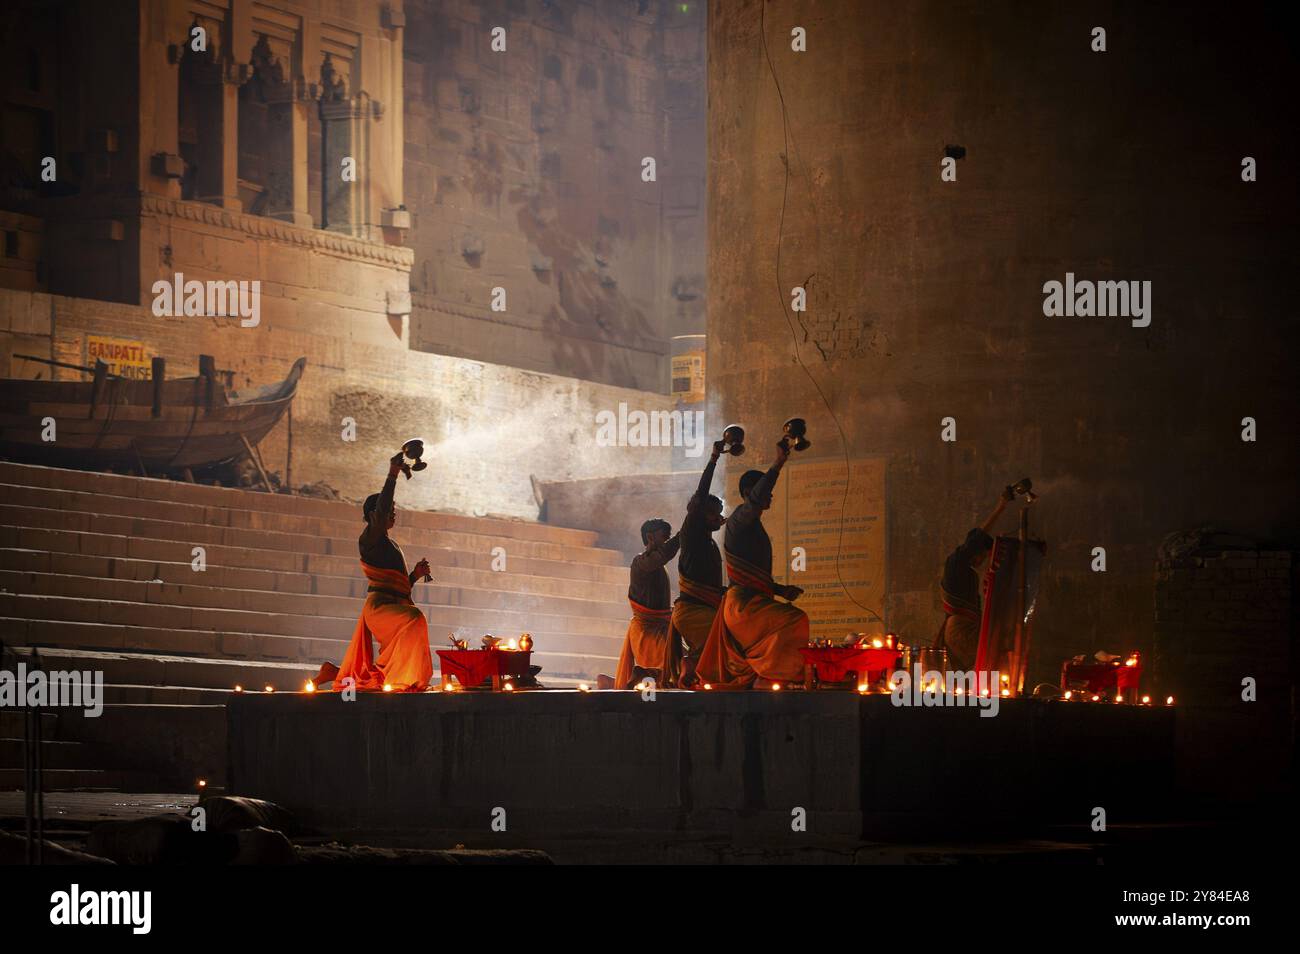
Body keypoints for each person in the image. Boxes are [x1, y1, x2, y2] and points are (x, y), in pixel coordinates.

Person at [314, 451, 434, 692]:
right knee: (415, 618)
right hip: (378, 609)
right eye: (388, 509)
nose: (393, 513)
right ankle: (402, 679)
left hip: (388, 604)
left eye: (393, 509)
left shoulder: (389, 544)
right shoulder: (369, 538)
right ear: (373, 516)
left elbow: (396, 587)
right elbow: (380, 517)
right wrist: (392, 475)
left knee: (411, 624)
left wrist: (414, 575)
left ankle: (336, 672)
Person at [695, 438, 809, 688]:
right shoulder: (739, 519)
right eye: (765, 492)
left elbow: (753, 575)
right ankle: (771, 676)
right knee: (795, 620)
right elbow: (756, 500)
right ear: (749, 494)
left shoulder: (751, 525)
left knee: (790, 621)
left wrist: (780, 590)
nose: (769, 497)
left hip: (754, 602)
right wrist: (779, 462)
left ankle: (768, 676)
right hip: (743, 607)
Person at [934, 486, 1015, 671]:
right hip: (961, 630)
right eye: (983, 556)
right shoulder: (956, 562)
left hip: (967, 627)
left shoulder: (967, 572)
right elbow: (975, 540)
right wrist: (1001, 506)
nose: (982, 561)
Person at [671, 439, 727, 687]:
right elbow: (701, 494)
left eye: (721, 512)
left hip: (707, 609)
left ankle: (692, 669)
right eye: (714, 513)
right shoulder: (692, 531)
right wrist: (714, 458)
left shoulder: (710, 543)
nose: (720, 517)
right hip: (693, 613)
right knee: (727, 640)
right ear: (700, 514)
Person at [613, 518, 681, 689]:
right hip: (647, 631)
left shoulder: (657, 565)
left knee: (674, 670)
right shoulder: (641, 562)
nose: (666, 541)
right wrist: (684, 534)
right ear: (650, 538)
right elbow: (662, 555)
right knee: (657, 678)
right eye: (663, 538)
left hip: (660, 628)